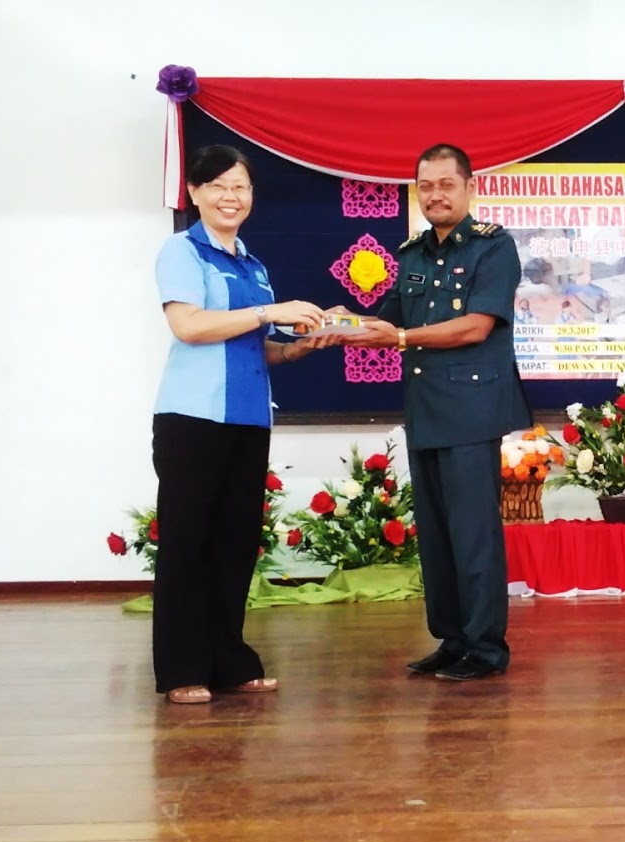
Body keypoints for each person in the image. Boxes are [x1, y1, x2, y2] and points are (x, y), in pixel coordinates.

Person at [151, 144, 345, 703]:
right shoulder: (182, 251)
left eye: (240, 187)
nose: (230, 197)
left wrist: (301, 347)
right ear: (194, 193)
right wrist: (270, 312)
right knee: (188, 543)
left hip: (247, 419)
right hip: (192, 418)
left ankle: (230, 661)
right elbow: (187, 326)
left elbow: (261, 350)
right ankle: (183, 669)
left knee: (235, 545)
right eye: (217, 186)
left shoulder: (252, 263)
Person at [346, 144, 530, 681]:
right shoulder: (412, 254)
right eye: (426, 186)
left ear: (469, 188)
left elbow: (475, 326)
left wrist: (399, 336)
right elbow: (385, 321)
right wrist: (337, 325)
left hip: (472, 412)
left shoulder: (494, 249)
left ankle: (487, 648)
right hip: (426, 411)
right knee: (438, 536)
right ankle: (453, 639)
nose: (435, 195)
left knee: (473, 536)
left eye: (446, 184)